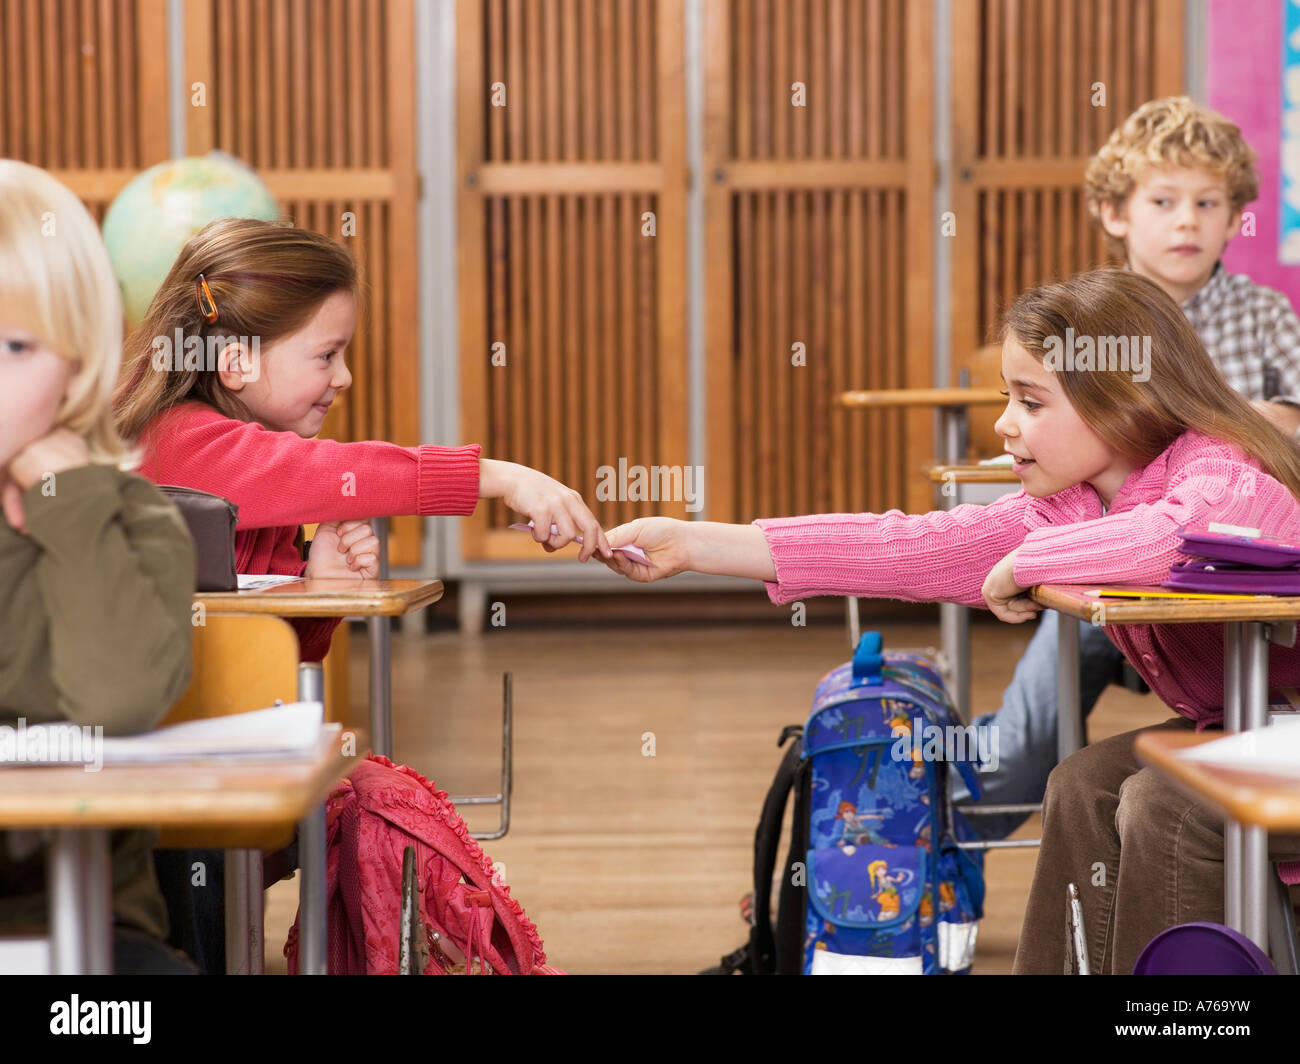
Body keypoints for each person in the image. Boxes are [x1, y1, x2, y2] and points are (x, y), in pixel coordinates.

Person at [596, 267, 1300, 972]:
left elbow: (1171, 539)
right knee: (1082, 785)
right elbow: (904, 545)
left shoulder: (1223, 469)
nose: (1003, 424)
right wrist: (694, 544)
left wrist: (1025, 563)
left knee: (1163, 805)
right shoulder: (1074, 505)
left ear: (1120, 400)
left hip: (1277, 733)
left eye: (1030, 401)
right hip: (1254, 731)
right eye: (1007, 398)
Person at [956, 96, 1300, 838]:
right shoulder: (1084, 320)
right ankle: (925, 864)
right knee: (1033, 737)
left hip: (1222, 577)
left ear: (1234, 214)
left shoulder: (1265, 316)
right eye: (1164, 201)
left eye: (1209, 204)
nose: (1187, 222)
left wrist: (1247, 424)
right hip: (1108, 560)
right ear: (1115, 213)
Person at [0, 159, 197, 973]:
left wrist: (69, 503)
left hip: (81, 929)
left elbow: (113, 701)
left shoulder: (134, 523)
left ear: (78, 368)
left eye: (13, 345)